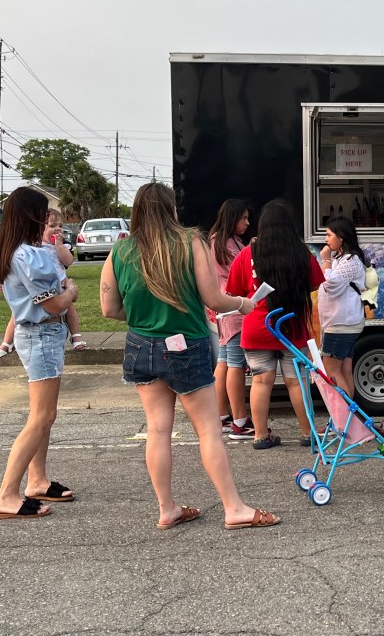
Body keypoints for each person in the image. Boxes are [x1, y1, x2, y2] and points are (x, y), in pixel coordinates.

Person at [99, 183, 279, 530]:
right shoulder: (190, 241)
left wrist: (142, 316)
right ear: (171, 209)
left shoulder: (120, 251)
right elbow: (213, 298)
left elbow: (109, 308)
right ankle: (235, 508)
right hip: (185, 345)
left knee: (158, 430)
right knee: (209, 431)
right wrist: (244, 303)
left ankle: (167, 508)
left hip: (140, 346)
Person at [0, 187, 80, 519]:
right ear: (30, 215)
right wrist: (71, 290)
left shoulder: (23, 251)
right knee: (41, 416)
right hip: (41, 333)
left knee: (45, 415)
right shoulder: (26, 256)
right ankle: (6, 495)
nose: (48, 218)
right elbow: (58, 300)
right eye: (42, 212)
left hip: (46, 332)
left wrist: (64, 294)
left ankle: (37, 480)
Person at [226, 198, 324, 450]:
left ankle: (260, 436)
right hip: (291, 328)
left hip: (258, 328)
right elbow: (315, 283)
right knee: (297, 382)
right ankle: (307, 433)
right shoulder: (301, 252)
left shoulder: (248, 253)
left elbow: (234, 291)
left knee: (260, 382)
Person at [0, 208, 86, 358]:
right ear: (40, 228)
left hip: (60, 284)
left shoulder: (62, 247)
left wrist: (59, 246)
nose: (57, 229)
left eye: (61, 226)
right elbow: (15, 268)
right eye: (52, 226)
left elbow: (68, 261)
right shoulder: (31, 249)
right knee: (17, 314)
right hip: (37, 288)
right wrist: (2, 281)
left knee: (69, 308)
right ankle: (7, 342)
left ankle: (76, 335)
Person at [206, 199, 254, 440]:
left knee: (224, 362)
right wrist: (252, 251)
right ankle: (239, 421)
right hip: (233, 309)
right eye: (243, 218)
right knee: (235, 364)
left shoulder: (224, 241)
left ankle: (222, 416)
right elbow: (240, 269)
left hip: (227, 309)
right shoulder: (223, 244)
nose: (247, 223)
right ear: (231, 218)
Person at [317, 215, 367, 398]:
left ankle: (342, 422)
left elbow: (331, 286)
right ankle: (348, 422)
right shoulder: (344, 258)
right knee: (344, 371)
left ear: (341, 237)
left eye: (329, 235)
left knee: (332, 373)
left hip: (341, 325)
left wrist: (325, 261)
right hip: (342, 323)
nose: (326, 239)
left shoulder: (350, 260)